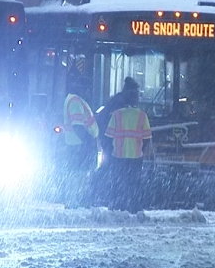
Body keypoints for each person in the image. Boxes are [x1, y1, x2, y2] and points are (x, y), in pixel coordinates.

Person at [103, 87, 152, 213]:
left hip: (118, 156)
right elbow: (147, 138)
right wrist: (140, 149)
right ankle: (134, 208)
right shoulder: (142, 115)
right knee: (134, 184)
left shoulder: (116, 115)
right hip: (136, 157)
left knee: (118, 183)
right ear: (136, 100)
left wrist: (109, 153)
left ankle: (117, 207)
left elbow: (108, 137)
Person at [62, 77, 99, 206]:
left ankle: (75, 203)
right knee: (79, 176)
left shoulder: (74, 100)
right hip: (79, 145)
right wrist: (90, 142)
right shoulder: (75, 101)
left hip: (76, 145)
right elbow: (78, 126)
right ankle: (76, 203)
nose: (88, 91)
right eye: (87, 87)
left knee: (76, 176)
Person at [95, 76, 140, 167]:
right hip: (114, 146)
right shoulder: (120, 105)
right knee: (114, 169)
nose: (138, 97)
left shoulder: (119, 101)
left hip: (113, 145)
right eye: (136, 93)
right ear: (130, 92)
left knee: (111, 168)